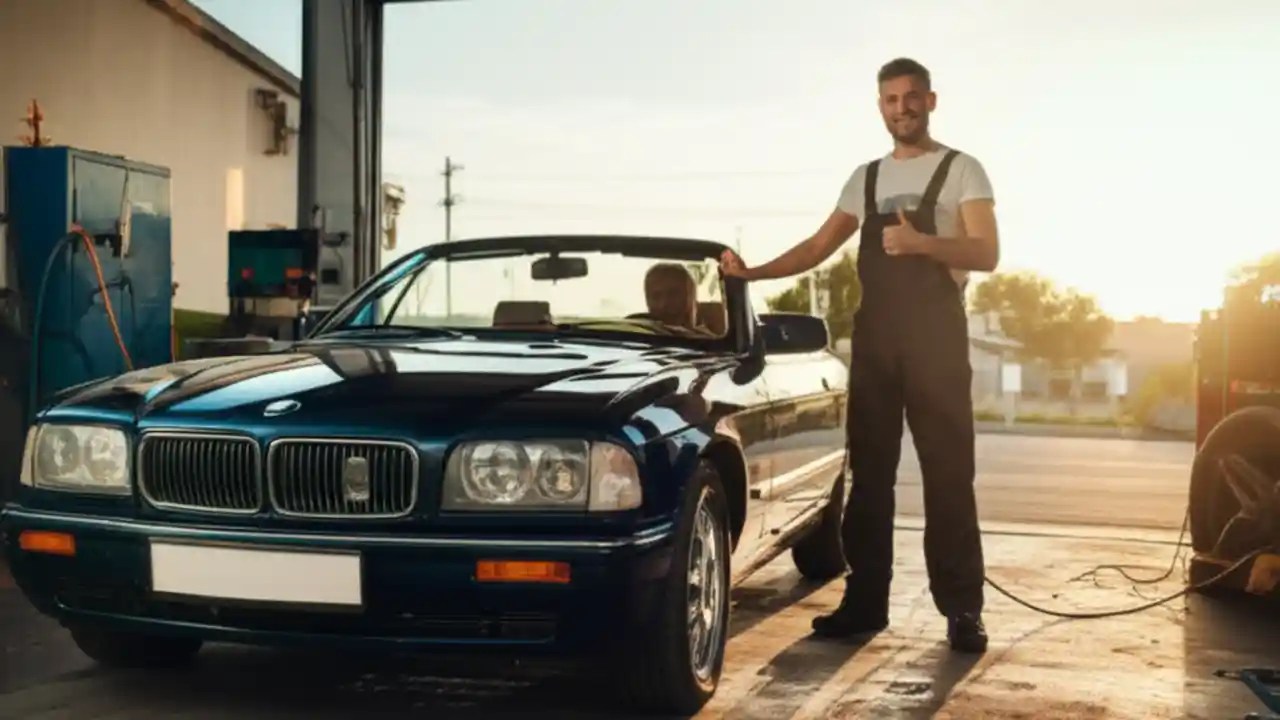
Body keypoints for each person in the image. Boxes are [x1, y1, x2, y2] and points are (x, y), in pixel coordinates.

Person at [719, 57, 1000, 653]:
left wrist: (923, 243)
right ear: (880, 107)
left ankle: (962, 611)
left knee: (949, 477)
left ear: (931, 100)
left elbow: (987, 251)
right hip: (877, 342)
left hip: (937, 344)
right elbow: (819, 247)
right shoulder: (864, 179)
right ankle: (865, 602)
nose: (903, 109)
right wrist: (752, 274)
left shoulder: (961, 170)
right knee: (869, 477)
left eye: (912, 98)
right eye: (891, 100)